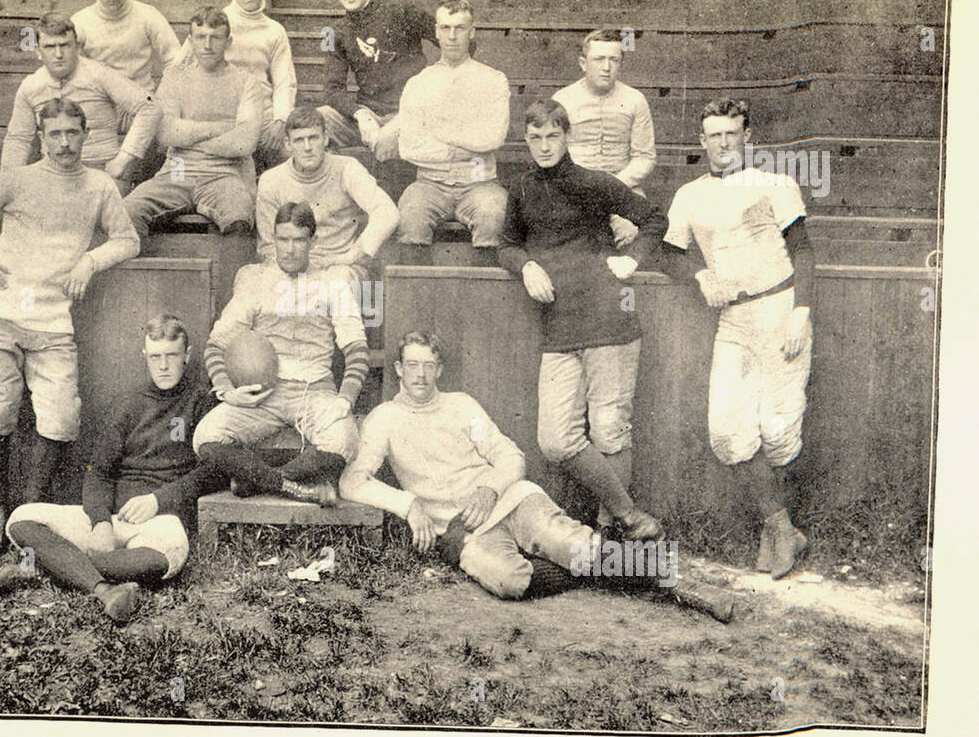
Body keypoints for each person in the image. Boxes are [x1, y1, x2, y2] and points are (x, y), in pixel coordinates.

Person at [339, 333, 733, 622]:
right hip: (466, 530)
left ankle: (669, 577)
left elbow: (509, 454)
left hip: (512, 501)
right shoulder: (385, 419)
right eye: (412, 365)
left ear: (439, 369)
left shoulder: (461, 407)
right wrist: (409, 506)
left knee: (571, 544)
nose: (421, 375)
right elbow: (352, 482)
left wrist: (489, 489)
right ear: (398, 369)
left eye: (428, 365)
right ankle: (601, 570)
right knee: (509, 580)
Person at [0, 98, 141, 547]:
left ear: (86, 133)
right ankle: (0, 513)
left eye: (73, 133)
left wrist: (89, 261)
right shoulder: (18, 179)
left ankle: (27, 517)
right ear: (41, 137)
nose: (65, 143)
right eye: (55, 134)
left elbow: (128, 241)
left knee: (61, 418)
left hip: (53, 320)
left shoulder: (99, 185)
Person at [657, 98, 815, 580]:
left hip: (780, 308)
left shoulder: (775, 185)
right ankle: (782, 527)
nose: (723, 143)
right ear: (702, 141)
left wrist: (801, 313)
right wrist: (700, 275)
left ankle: (778, 531)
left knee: (779, 432)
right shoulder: (690, 195)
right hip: (734, 320)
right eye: (714, 135)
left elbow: (803, 250)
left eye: (732, 134)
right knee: (727, 430)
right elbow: (668, 254)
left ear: (748, 139)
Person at [497, 98, 667, 540]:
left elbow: (653, 219)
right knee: (555, 439)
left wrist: (631, 262)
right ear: (527, 141)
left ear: (566, 136)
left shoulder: (595, 183)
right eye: (535, 138)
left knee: (611, 432)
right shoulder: (520, 189)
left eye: (553, 135)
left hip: (610, 322)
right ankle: (631, 516)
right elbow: (506, 244)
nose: (544, 145)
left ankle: (612, 536)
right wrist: (527, 266)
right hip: (560, 327)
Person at [0, 316, 224, 623]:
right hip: (110, 519)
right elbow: (99, 471)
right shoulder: (127, 404)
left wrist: (158, 499)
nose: (164, 366)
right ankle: (106, 590)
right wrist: (101, 523)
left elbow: (211, 471)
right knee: (22, 519)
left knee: (162, 559)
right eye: (156, 357)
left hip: (159, 520)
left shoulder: (200, 403)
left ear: (187, 355)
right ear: (145, 357)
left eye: (171, 356)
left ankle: (46, 567)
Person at [193, 202, 369, 506]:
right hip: (264, 394)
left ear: (313, 241)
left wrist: (346, 398)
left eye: (298, 240)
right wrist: (226, 391)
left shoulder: (333, 283)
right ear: (273, 239)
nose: (289, 249)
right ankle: (295, 488)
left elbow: (357, 349)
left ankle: (258, 482)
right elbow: (216, 345)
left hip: (315, 390)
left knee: (345, 441)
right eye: (282, 239)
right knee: (205, 437)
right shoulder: (256, 282)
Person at [121, 6, 264, 237]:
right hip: (176, 171)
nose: (207, 45)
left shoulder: (246, 82)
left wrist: (188, 137)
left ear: (228, 42)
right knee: (127, 211)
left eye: (216, 38)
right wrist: (222, 128)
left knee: (240, 216)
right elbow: (166, 133)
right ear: (191, 40)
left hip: (225, 174)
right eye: (201, 37)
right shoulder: (175, 78)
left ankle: (233, 275)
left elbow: (244, 144)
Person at [394, 0, 509, 263]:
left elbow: (493, 137)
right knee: (411, 214)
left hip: (481, 183)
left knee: (494, 214)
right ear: (436, 31)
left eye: (460, 28)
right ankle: (420, 302)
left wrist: (438, 133)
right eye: (445, 28)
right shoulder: (419, 83)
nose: (453, 36)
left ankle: (481, 303)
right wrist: (466, 145)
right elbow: (408, 146)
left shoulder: (493, 80)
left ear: (472, 31)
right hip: (429, 183)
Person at [0, 12, 160, 191]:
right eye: (50, 47)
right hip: (54, 175)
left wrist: (125, 156)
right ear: (38, 51)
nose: (58, 54)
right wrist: (9, 183)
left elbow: (150, 106)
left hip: (102, 172)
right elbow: (18, 138)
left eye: (65, 45)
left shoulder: (99, 74)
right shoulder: (31, 86)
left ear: (76, 46)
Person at [316, 0, 434, 167]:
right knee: (314, 125)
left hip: (407, 113)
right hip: (368, 114)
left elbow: (451, 40)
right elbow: (332, 91)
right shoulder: (333, 32)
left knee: (385, 142)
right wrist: (360, 114)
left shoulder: (401, 12)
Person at [176, 0, 296, 173]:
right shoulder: (217, 23)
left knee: (297, 160)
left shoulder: (275, 30)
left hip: (264, 120)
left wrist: (280, 121)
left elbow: (284, 82)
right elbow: (180, 67)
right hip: (224, 117)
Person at [256, 105, 398, 282]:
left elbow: (387, 213)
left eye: (314, 138)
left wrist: (351, 256)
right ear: (288, 144)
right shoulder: (271, 179)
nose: (307, 147)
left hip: (341, 267)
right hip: (292, 269)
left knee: (338, 282)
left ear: (325, 139)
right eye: (299, 140)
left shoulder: (347, 168)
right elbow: (269, 247)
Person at [552, 28, 657, 247]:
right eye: (599, 59)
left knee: (636, 233)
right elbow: (554, 155)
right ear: (583, 63)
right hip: (576, 188)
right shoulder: (563, 99)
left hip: (623, 186)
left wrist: (614, 185)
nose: (606, 67)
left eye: (614, 60)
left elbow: (644, 157)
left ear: (621, 63)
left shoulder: (635, 100)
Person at [71, 0, 181, 93]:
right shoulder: (80, 21)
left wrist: (165, 95)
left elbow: (175, 59)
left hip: (142, 99)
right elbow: (70, 69)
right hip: (100, 102)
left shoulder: (147, 15)